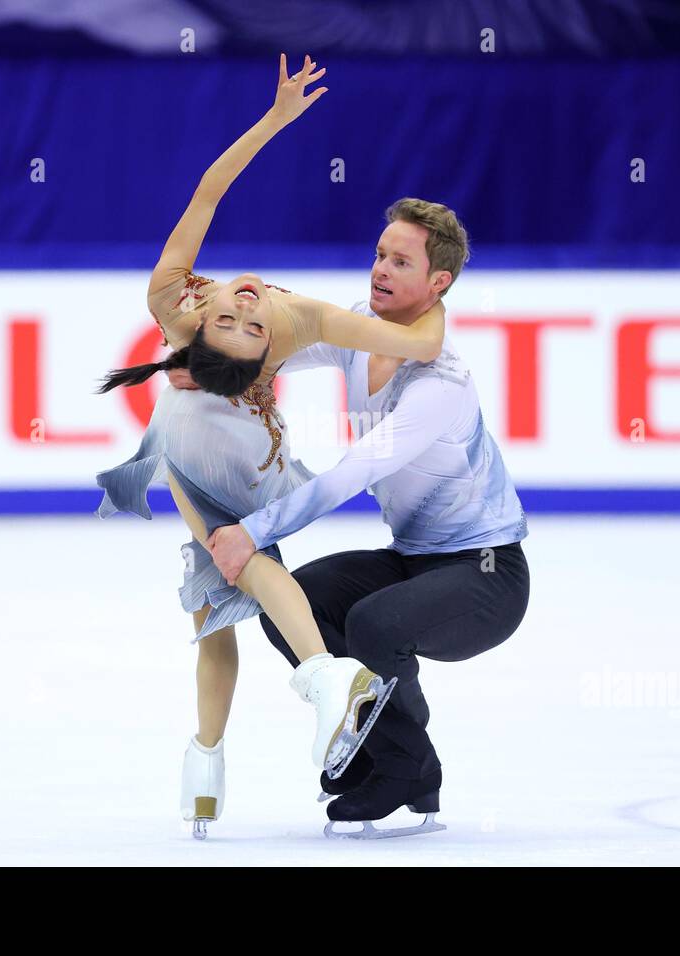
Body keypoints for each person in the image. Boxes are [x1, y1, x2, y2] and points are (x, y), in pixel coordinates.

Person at [93, 55, 448, 839]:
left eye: (246, 322)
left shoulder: (182, 300)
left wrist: (274, 120)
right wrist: (277, 122)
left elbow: (208, 194)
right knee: (217, 602)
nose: (250, 309)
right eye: (242, 324)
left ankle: (315, 683)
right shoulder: (286, 321)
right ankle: (212, 754)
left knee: (232, 553)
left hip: (222, 448)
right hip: (221, 447)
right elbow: (415, 340)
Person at [205, 198, 531, 838]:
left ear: (438, 283)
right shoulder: (362, 329)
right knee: (292, 602)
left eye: (400, 261)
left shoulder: (440, 384)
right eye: (380, 254)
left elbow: (351, 476)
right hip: (413, 558)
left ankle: (407, 767)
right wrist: (220, 358)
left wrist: (253, 532)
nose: (379, 269)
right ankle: (380, 748)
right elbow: (284, 347)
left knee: (374, 623)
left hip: (488, 575)